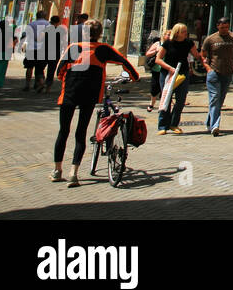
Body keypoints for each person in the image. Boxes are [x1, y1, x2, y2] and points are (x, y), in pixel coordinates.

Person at [52, 20, 139, 185]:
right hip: (90, 95)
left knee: (63, 131)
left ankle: (57, 171)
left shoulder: (73, 47)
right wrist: (134, 77)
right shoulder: (103, 49)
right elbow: (124, 62)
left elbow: (59, 71)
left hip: (69, 93)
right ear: (100, 33)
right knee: (81, 133)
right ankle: (73, 173)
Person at [200, 16, 233, 137]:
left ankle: (209, 122)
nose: (225, 30)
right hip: (214, 73)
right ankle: (215, 126)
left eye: (227, 27)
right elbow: (202, 55)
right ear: (217, 26)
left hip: (228, 73)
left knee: (220, 99)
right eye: (222, 27)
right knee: (215, 98)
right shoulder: (211, 39)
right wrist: (208, 68)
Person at [155, 23, 200, 135]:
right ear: (177, 33)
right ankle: (162, 126)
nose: (186, 33)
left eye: (186, 31)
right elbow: (158, 59)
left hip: (182, 73)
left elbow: (197, 55)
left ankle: (173, 124)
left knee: (180, 100)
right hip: (167, 73)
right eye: (183, 31)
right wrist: (170, 68)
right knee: (166, 99)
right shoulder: (168, 43)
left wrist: (205, 57)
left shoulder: (189, 43)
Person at [22, 12, 51, 91]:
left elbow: (25, 35)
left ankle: (27, 85)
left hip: (31, 48)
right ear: (45, 16)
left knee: (29, 67)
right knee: (40, 67)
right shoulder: (48, 24)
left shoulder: (31, 24)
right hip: (43, 49)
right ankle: (39, 83)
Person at [142, 34, 163, 111]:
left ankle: (162, 106)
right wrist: (156, 50)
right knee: (154, 87)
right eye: (167, 34)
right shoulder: (158, 44)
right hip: (156, 69)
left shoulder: (171, 44)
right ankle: (152, 104)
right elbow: (147, 54)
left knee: (164, 89)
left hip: (166, 70)